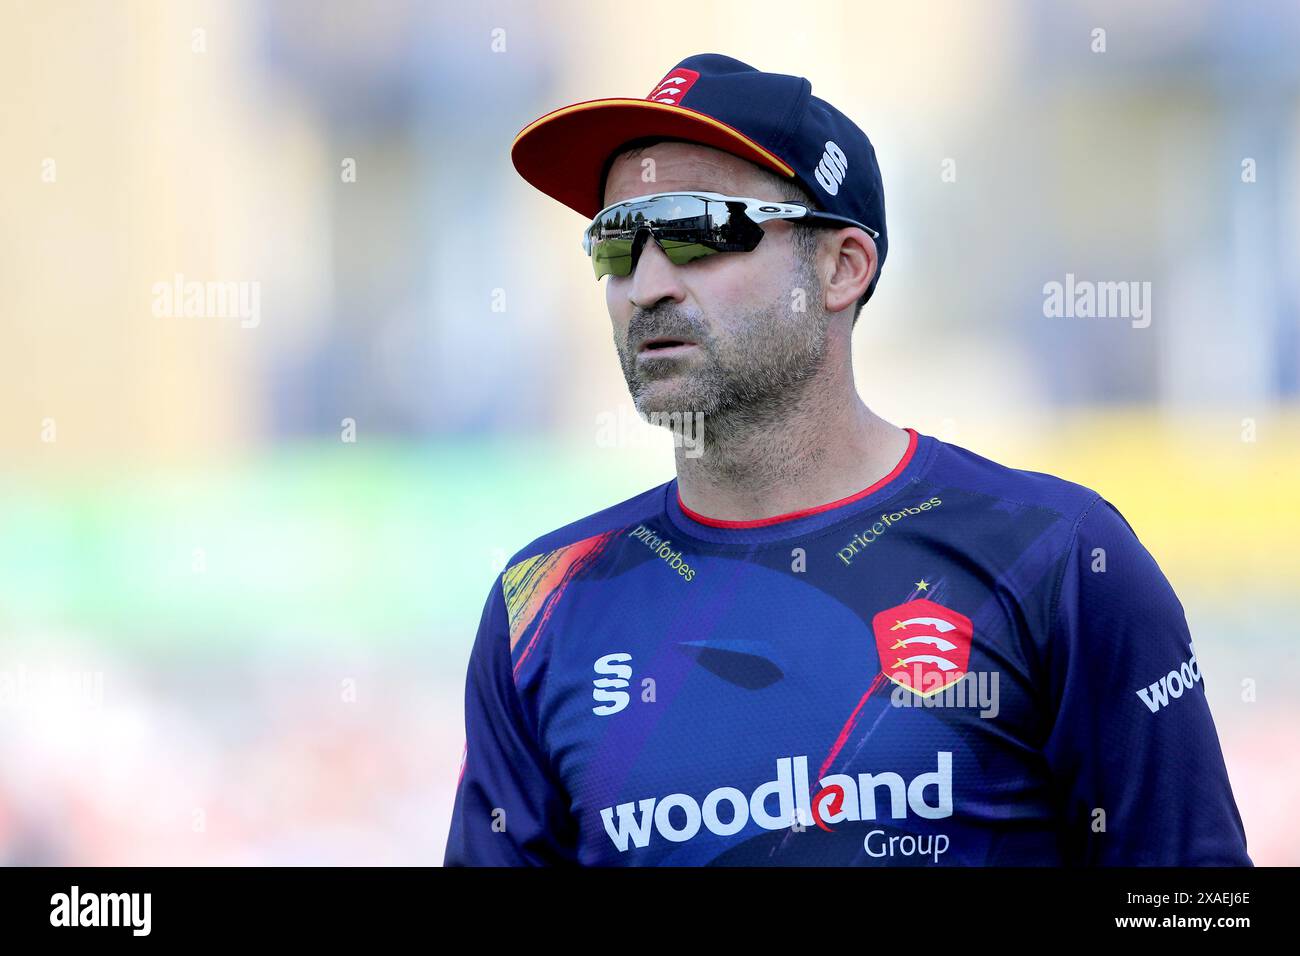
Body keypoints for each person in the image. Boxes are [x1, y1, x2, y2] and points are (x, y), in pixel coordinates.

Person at [443, 53, 1250, 866]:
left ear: (841, 267)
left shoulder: (1061, 557)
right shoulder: (541, 605)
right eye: (616, 243)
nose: (647, 283)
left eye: (697, 230)